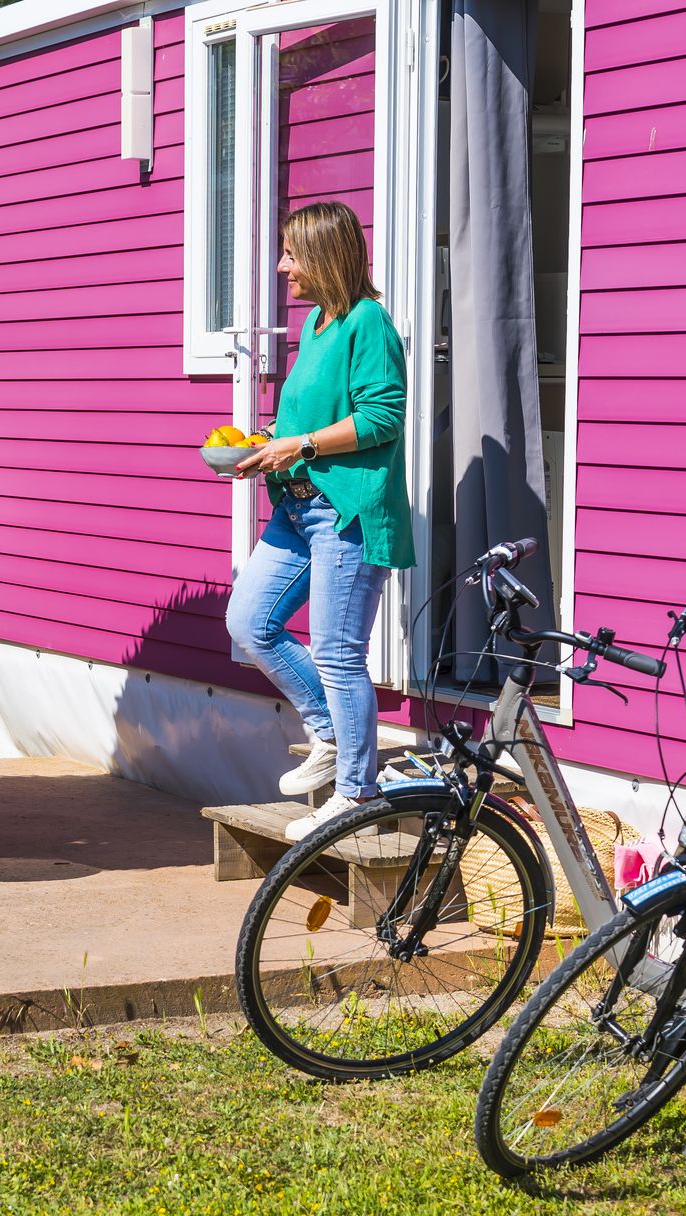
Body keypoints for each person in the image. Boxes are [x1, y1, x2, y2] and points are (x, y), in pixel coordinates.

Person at [225, 200, 412, 842]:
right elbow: (312, 416)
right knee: (249, 622)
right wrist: (269, 440)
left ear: (325, 258)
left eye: (291, 254)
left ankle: (358, 791)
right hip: (297, 507)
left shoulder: (369, 324)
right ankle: (331, 734)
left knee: (338, 653)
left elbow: (383, 418)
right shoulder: (317, 324)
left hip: (348, 511)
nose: (281, 267)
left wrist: (299, 446)